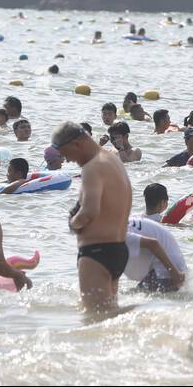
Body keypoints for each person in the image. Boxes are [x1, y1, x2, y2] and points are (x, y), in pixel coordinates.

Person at [51, 121, 133, 313]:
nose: (68, 160)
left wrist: (73, 223)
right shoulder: (114, 161)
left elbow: (90, 211)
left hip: (97, 253)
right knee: (110, 318)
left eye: (66, 154)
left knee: (95, 319)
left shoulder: (92, 167)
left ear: (77, 144)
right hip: (118, 250)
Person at [124, 185, 187, 293]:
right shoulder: (164, 222)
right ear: (163, 203)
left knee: (135, 295)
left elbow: (152, 244)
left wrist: (174, 273)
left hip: (168, 270)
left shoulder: (137, 218)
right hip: (172, 266)